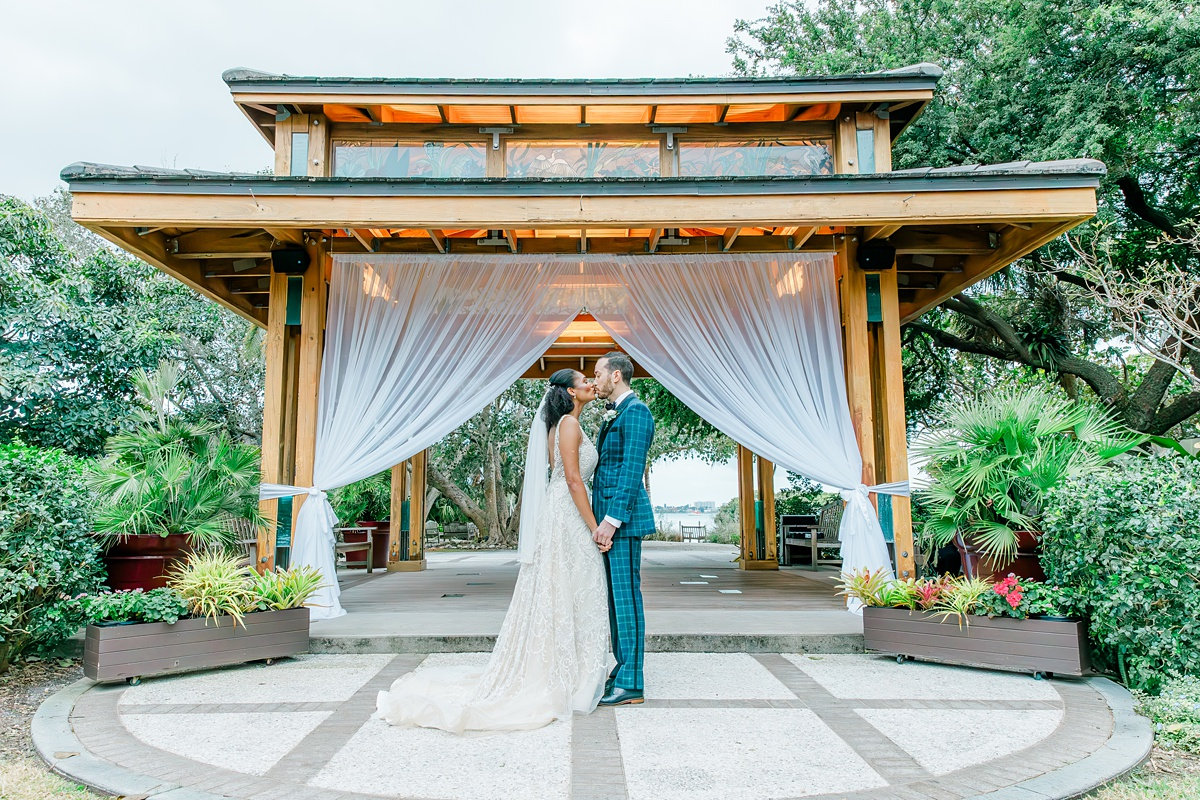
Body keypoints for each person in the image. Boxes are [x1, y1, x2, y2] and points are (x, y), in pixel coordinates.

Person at [374, 369, 610, 733]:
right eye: (584, 382)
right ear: (569, 391)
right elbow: (574, 480)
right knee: (572, 584)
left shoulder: (563, 424)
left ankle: (571, 666)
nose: (592, 385)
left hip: (561, 509)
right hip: (568, 513)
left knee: (567, 587)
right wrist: (595, 526)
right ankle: (568, 672)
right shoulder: (568, 426)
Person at [591, 352, 656, 706]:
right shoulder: (618, 413)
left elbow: (631, 473)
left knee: (627, 599)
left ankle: (632, 682)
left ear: (616, 376)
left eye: (598, 373)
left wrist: (611, 522)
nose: (594, 379)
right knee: (617, 601)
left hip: (621, 523)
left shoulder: (637, 412)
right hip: (608, 521)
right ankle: (623, 667)